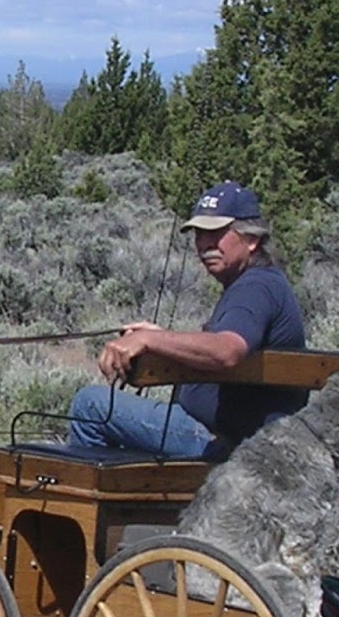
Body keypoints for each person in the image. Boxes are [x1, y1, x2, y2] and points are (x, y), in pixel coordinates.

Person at [65, 181, 307, 458]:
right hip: (241, 436)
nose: (205, 244)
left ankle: (106, 500)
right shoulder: (259, 282)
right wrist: (160, 339)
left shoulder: (255, 287)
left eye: (216, 233)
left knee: (90, 405)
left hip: (228, 442)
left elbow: (227, 350)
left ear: (251, 240)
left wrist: (148, 339)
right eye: (199, 234)